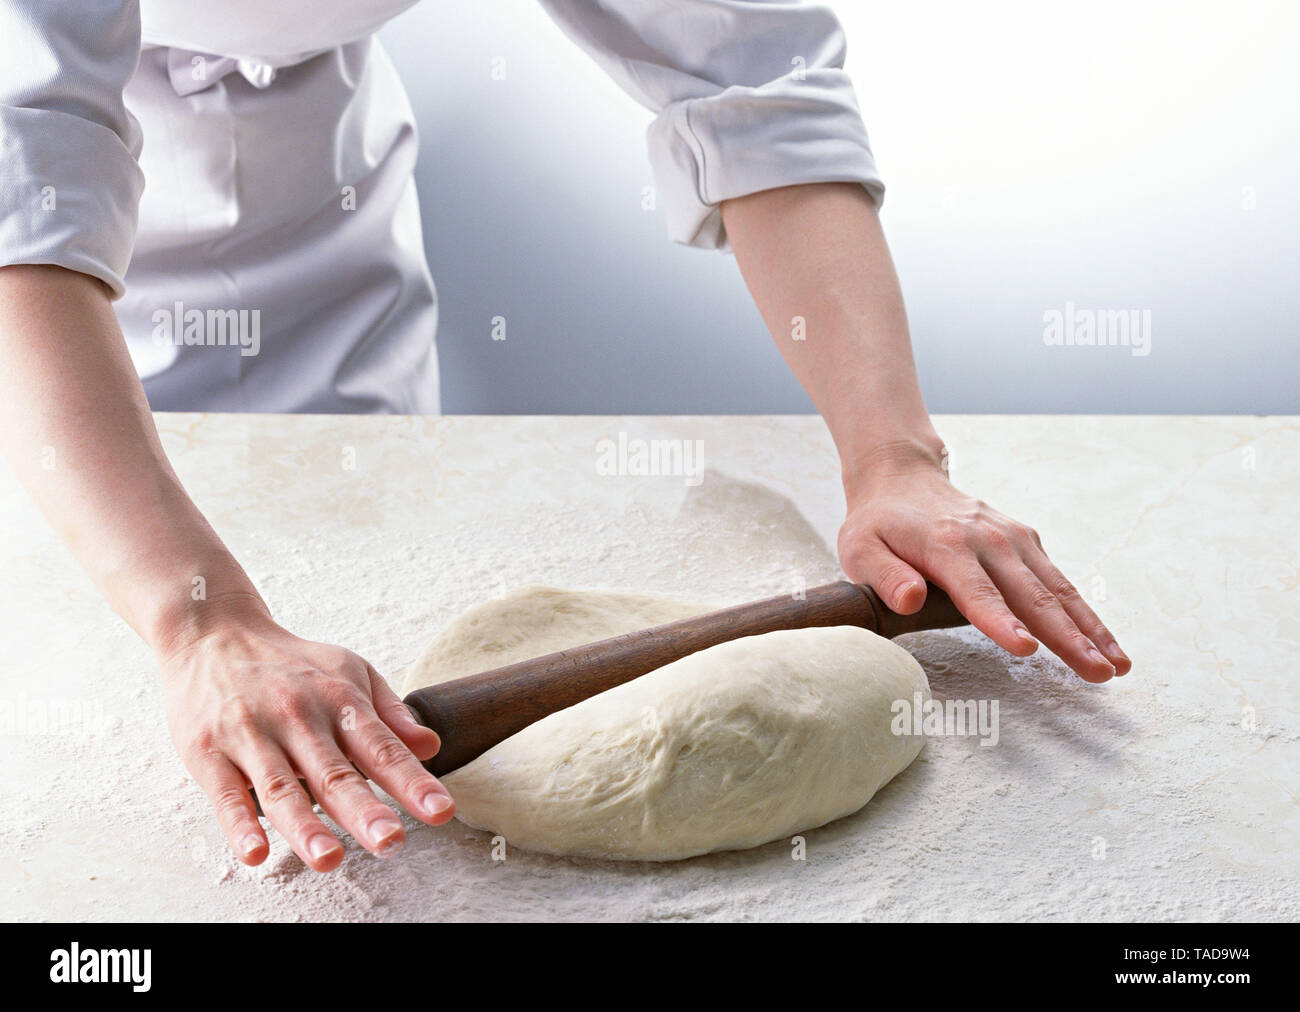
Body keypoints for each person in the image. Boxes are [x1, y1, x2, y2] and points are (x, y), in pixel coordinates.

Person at [0, 1, 1130, 873]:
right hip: (39, 340)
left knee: (358, 523)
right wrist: (200, 622)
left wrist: (896, 459)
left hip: (322, 202)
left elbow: (755, 79)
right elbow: (26, 189)